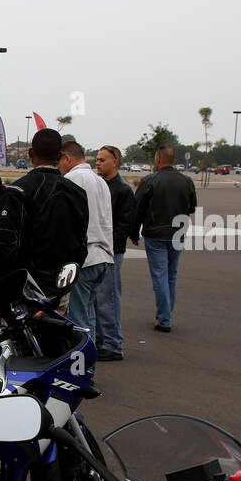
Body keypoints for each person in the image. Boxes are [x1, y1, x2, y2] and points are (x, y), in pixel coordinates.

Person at [0, 129, 87, 299]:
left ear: (30, 153)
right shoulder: (77, 193)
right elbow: (82, 243)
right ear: (59, 156)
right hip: (60, 287)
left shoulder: (17, 191)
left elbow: (7, 245)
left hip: (23, 289)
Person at [129, 145, 197, 333]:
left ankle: (164, 318)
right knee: (171, 275)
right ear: (173, 159)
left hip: (155, 233)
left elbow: (138, 209)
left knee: (159, 275)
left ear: (158, 159)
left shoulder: (149, 181)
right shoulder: (187, 181)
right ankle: (165, 314)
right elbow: (192, 207)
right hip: (178, 233)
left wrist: (133, 233)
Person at [59, 141, 113, 347]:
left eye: (59, 161)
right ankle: (90, 363)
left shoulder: (72, 179)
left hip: (86, 258)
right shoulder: (100, 181)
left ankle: (83, 369)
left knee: (79, 320)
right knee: (89, 315)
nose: (59, 167)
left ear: (67, 158)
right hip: (103, 256)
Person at [94, 144, 136, 360]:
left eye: (102, 159)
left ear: (115, 162)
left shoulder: (122, 189)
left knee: (108, 297)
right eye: (97, 159)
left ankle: (113, 344)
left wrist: (109, 248)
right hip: (100, 250)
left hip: (111, 252)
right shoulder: (100, 185)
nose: (98, 163)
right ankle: (102, 340)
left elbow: (124, 224)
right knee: (98, 299)